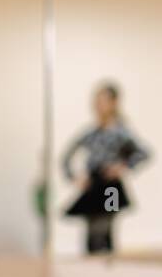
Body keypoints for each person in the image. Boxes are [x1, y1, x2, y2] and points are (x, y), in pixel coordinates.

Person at [61, 82, 150, 254]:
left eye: (103, 101)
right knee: (91, 229)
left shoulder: (121, 132)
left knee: (106, 227)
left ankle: (108, 267)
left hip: (111, 186)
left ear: (114, 103)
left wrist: (122, 166)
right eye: (96, 101)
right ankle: (91, 267)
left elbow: (143, 153)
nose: (98, 105)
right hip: (94, 184)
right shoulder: (91, 133)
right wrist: (74, 177)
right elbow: (66, 157)